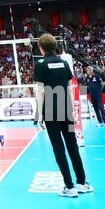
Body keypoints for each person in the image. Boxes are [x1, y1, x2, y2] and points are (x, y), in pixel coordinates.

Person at [33, 34, 89, 198]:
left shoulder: (41, 64)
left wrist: (39, 114)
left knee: (59, 148)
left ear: (41, 48)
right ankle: (82, 183)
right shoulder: (63, 62)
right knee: (73, 145)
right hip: (66, 108)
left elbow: (40, 90)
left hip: (51, 110)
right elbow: (70, 86)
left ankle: (69, 187)